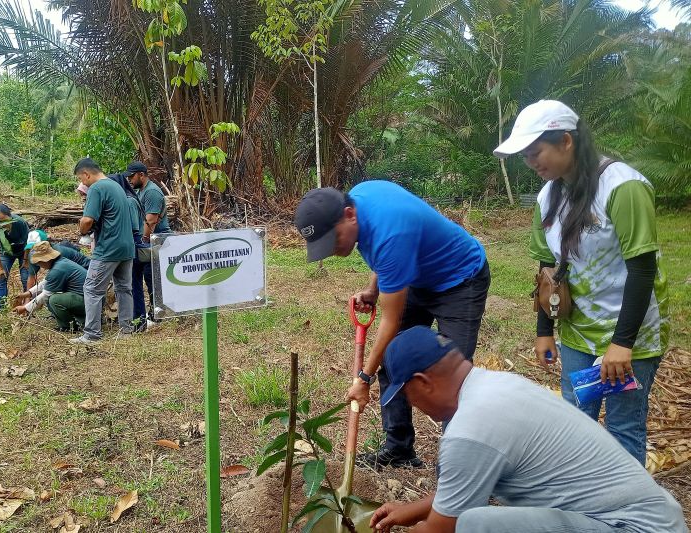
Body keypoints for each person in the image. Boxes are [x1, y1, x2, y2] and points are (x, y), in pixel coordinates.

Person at [368, 326, 686, 533]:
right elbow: (467, 484)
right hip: (653, 520)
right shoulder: (496, 387)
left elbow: (441, 528)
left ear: (423, 383)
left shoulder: (470, 429)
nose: (413, 406)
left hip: (630, 527)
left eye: (408, 396)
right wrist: (410, 511)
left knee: (475, 526)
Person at [493, 100, 668, 466]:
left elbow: (642, 270)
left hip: (629, 334)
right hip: (578, 333)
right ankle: (580, 502)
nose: (531, 163)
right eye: (525, 157)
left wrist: (622, 345)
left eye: (535, 152)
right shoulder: (548, 196)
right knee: (575, 421)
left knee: (623, 427)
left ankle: (624, 514)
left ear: (566, 141)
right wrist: (545, 330)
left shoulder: (623, 187)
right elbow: (548, 270)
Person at [294, 183, 490, 469]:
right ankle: (399, 449)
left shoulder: (392, 232)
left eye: (333, 241)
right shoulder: (361, 204)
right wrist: (374, 290)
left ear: (349, 214)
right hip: (416, 277)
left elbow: (390, 320)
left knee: (453, 373)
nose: (332, 252)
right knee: (392, 358)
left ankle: (456, 466)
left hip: (460, 279)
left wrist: (363, 379)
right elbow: (380, 252)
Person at [71, 158, 135, 344]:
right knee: (124, 289)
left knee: (91, 289)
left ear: (86, 174)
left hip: (108, 248)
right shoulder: (116, 186)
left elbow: (87, 220)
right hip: (126, 246)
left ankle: (92, 334)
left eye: (81, 179)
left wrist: (82, 230)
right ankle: (127, 329)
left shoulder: (97, 189)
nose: (82, 183)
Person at [126, 161, 170, 317]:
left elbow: (151, 221)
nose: (130, 180)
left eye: (132, 176)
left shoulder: (152, 192)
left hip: (156, 241)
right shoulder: (141, 191)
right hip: (148, 241)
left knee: (153, 278)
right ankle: (152, 312)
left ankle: (159, 314)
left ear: (141, 175)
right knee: (147, 276)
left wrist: (142, 241)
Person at [14, 241, 87, 332]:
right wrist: (27, 294)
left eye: (39, 262)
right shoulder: (59, 263)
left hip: (87, 301)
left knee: (53, 299)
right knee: (51, 299)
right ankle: (75, 321)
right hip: (85, 298)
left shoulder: (58, 269)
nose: (38, 265)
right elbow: (46, 283)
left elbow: (46, 294)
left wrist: (25, 308)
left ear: (46, 260)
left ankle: (69, 327)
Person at [109, 168, 149, 329]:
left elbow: (132, 228)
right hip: (132, 246)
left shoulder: (129, 201)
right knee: (133, 286)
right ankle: (137, 321)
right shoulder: (129, 198)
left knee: (133, 286)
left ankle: (138, 322)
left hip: (133, 246)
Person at [0, 203, 30, 309]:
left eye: (5, 220)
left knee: (26, 278)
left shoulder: (20, 222)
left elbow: (28, 243)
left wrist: (25, 260)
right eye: (0, 222)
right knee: (0, 277)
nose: (3, 224)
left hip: (23, 251)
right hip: (5, 252)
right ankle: (1, 309)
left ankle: (28, 306)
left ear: (10, 216)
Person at [24, 230, 90, 290]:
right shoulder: (34, 255)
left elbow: (55, 281)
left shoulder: (60, 254)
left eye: (38, 247)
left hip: (87, 272)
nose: (35, 250)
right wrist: (27, 299)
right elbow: (31, 277)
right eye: (32, 248)